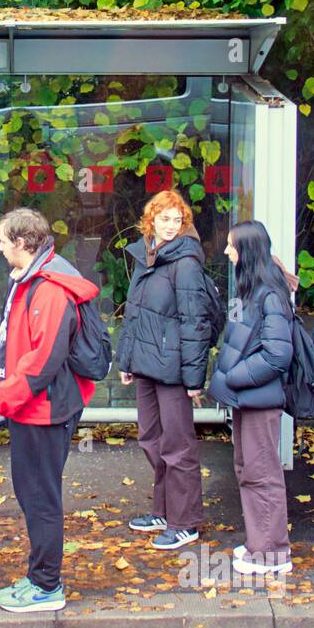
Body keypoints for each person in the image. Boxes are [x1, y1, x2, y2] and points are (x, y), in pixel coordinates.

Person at [0, 207, 99, 613]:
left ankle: (47, 587)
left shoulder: (49, 288)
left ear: (22, 242)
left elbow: (43, 360)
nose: (0, 248)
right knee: (33, 494)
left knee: (41, 498)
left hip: (43, 410)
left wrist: (4, 397)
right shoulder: (36, 276)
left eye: (4, 241)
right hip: (33, 408)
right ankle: (40, 577)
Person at [116, 190, 213, 550]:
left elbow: (195, 322)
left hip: (172, 369)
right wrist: (126, 360)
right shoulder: (147, 256)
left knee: (178, 446)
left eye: (178, 220)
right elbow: (135, 312)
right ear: (151, 220)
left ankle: (185, 521)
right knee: (151, 439)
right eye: (164, 218)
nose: (171, 226)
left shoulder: (185, 262)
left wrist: (193, 379)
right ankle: (164, 510)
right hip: (145, 365)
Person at [207, 221, 296, 577]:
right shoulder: (253, 290)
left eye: (232, 246)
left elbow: (277, 355)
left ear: (247, 250)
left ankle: (273, 552)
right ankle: (260, 541)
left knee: (262, 473)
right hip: (248, 399)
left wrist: (234, 377)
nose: (227, 252)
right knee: (248, 469)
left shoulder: (269, 296)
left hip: (259, 400)